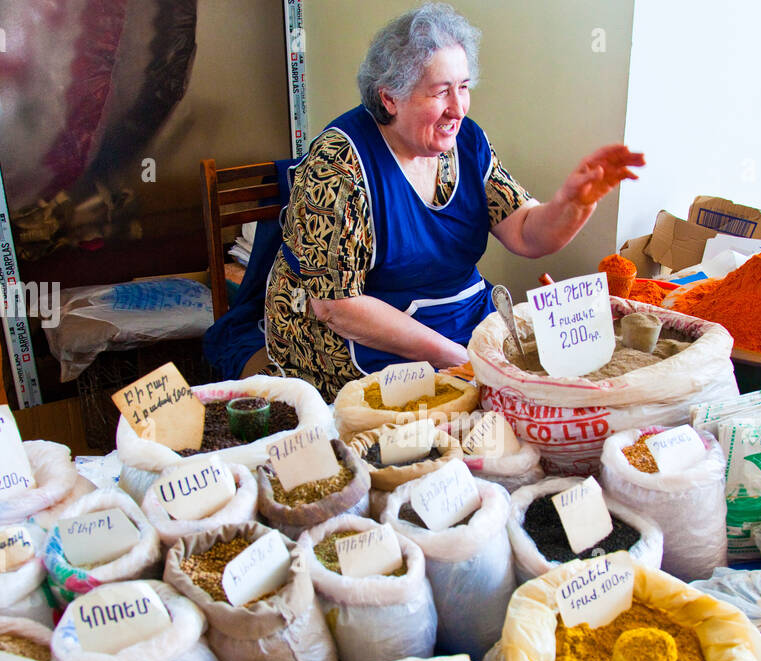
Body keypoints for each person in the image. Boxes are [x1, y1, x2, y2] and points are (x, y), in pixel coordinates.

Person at [264, 2, 643, 400]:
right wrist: (460, 359)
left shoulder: (466, 143)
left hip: (462, 318)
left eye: (463, 87)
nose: (458, 108)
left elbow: (527, 234)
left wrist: (574, 202)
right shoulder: (339, 164)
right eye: (441, 91)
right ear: (390, 98)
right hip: (360, 339)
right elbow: (337, 306)